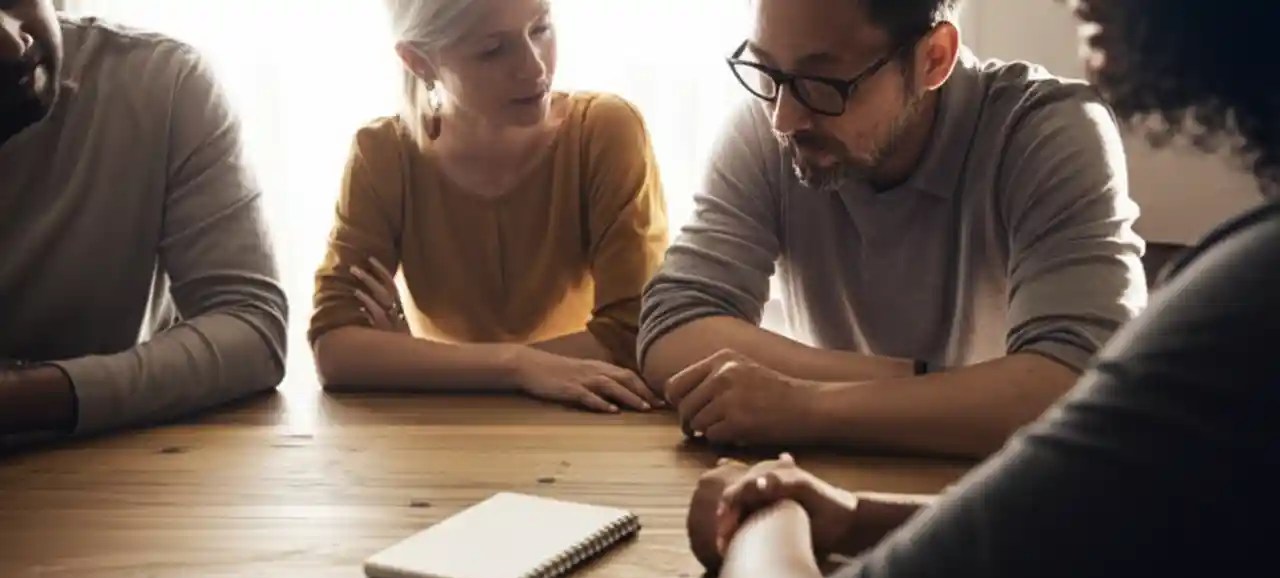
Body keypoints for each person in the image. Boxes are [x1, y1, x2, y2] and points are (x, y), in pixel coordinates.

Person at [686, 0, 1280, 578]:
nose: (786, 116)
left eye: (824, 81)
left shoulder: (1253, 311)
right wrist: (858, 517)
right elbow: (1111, 534)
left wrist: (764, 512)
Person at [639, 0, 1148, 458]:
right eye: (766, 70)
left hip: (996, 490)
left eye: (822, 83)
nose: (784, 119)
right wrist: (925, 385)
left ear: (934, 59)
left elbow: (1076, 388)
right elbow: (674, 327)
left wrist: (805, 406)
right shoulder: (768, 127)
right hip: (830, 477)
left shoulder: (1046, 133)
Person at [309, 0, 669, 415]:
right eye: (492, 50)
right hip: (445, 428)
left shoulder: (605, 131)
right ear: (418, 62)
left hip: (592, 420)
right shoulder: (383, 155)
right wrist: (517, 366)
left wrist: (413, 361)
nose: (534, 67)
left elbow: (636, 334)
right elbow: (335, 347)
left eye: (540, 29)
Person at [0, 1, 287, 446]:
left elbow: (252, 329)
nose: (11, 42)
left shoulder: (161, 83)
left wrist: (26, 397)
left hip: (118, 465)